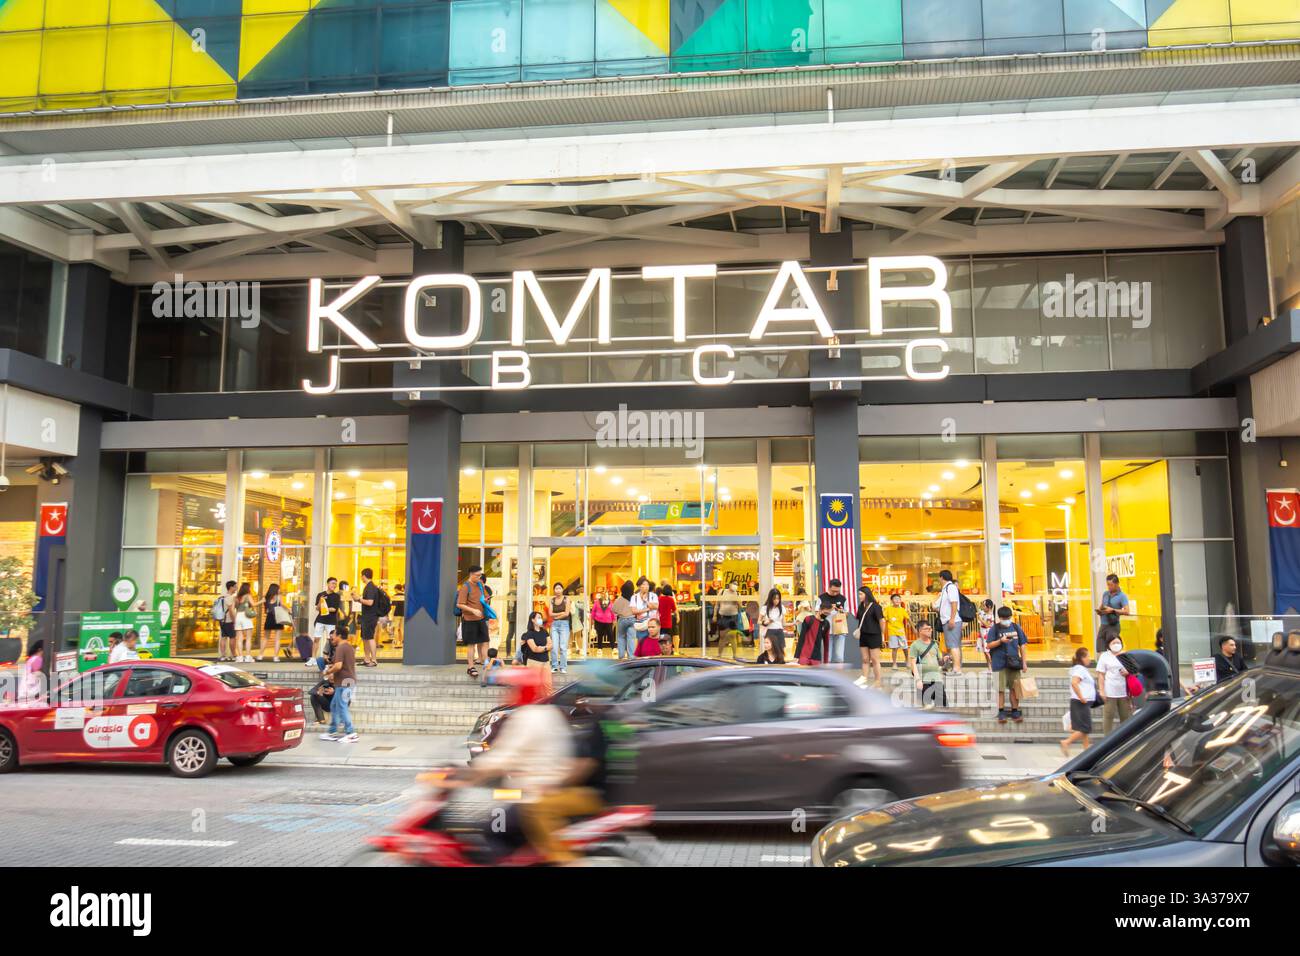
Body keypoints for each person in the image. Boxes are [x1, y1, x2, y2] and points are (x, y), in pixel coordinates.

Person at [439, 667, 601, 865]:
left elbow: (503, 757)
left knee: (492, 829)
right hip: (545, 789)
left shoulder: (527, 717)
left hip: (534, 795)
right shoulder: (549, 713)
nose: (506, 693)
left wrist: (467, 774)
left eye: (511, 688)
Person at [987, 605, 1028, 723]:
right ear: (999, 618)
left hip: (1014, 663)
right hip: (999, 663)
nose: (1006, 620)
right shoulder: (994, 629)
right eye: (1003, 618)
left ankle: (1015, 710)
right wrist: (1000, 641)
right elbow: (988, 645)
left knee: (1014, 689)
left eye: (1007, 617)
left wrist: (1024, 663)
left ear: (1011, 617)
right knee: (1000, 689)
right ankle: (1001, 711)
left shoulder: (1016, 627)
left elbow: (1023, 646)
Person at [320, 623, 359, 743]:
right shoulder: (348, 647)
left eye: (334, 635)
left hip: (345, 683)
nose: (332, 637)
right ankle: (332, 732)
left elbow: (338, 665)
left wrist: (328, 672)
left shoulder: (341, 648)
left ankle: (351, 733)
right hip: (345, 681)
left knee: (341, 706)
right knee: (335, 706)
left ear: (340, 636)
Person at [456, 565, 492, 679]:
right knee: (471, 644)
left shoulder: (480, 584)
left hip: (481, 618)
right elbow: (459, 604)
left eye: (480, 575)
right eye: (477, 575)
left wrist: (486, 600)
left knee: (485, 641)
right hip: (469, 619)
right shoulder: (465, 587)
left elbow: (486, 597)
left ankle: (487, 666)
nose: (479, 577)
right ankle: (471, 667)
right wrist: (473, 610)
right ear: (471, 574)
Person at [1061, 647, 1096, 756]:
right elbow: (1074, 682)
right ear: (1082, 658)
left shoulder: (1079, 669)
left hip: (1080, 702)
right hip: (1080, 702)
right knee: (1086, 728)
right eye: (1088, 656)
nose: (1089, 659)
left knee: (1083, 727)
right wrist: (1081, 697)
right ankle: (1067, 742)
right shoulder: (1080, 669)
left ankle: (1086, 750)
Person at [1096, 635, 1133, 735]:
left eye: (1118, 642)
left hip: (1124, 692)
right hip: (1110, 692)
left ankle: (1126, 739)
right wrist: (1102, 690)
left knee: (1126, 717)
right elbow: (1101, 675)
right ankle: (1107, 740)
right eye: (1113, 643)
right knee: (1108, 717)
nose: (1116, 645)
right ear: (1108, 645)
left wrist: (1127, 672)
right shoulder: (1104, 656)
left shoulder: (1126, 655)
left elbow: (1133, 671)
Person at [909, 623, 944, 708]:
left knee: (942, 705)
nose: (930, 630)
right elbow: (913, 664)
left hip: (936, 678)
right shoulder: (915, 645)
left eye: (930, 628)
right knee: (927, 705)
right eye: (927, 629)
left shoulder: (934, 644)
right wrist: (918, 680)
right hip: (924, 679)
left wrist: (944, 660)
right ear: (920, 631)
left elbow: (940, 662)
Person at [935, 569, 963, 675]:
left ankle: (957, 668)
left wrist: (952, 618)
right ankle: (955, 667)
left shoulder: (951, 588)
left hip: (951, 621)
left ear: (942, 577)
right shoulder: (945, 589)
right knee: (952, 645)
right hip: (947, 620)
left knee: (953, 645)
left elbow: (954, 603)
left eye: (939, 577)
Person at [814, 579, 849, 664]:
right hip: (826, 629)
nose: (835, 593)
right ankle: (826, 675)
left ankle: (839, 676)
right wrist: (828, 610)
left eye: (837, 591)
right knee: (827, 657)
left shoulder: (843, 598)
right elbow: (817, 614)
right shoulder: (822, 598)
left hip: (840, 630)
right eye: (833, 591)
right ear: (829, 587)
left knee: (839, 657)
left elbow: (846, 614)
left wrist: (840, 611)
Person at [856, 585, 885, 687]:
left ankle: (878, 681)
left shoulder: (876, 606)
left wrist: (882, 635)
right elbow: (859, 619)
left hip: (874, 635)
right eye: (859, 594)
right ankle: (864, 678)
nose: (859, 596)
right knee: (864, 659)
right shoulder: (861, 606)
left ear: (867, 594)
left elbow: (882, 621)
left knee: (875, 659)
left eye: (861, 594)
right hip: (863, 635)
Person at [1094, 573, 1130, 653]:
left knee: (1113, 649)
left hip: (1113, 626)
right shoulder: (1105, 594)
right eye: (1108, 585)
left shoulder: (1122, 596)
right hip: (1103, 625)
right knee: (1100, 648)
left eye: (1111, 585)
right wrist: (1100, 610)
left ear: (1117, 584)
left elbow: (1127, 611)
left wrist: (1113, 610)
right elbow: (1102, 605)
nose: (1109, 587)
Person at [310, 577, 341, 664]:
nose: (334, 585)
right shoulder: (321, 594)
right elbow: (317, 608)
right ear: (327, 584)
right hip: (320, 620)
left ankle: (328, 658)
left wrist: (324, 608)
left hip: (331, 621)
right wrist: (321, 601)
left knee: (330, 641)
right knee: (316, 639)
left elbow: (334, 609)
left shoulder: (336, 596)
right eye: (332, 583)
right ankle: (313, 658)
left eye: (335, 583)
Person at [521, 610, 553, 695]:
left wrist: (543, 648)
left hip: (545, 662)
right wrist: (546, 647)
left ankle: (548, 703)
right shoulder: (529, 634)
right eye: (538, 618)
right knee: (533, 686)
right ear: (533, 620)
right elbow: (534, 648)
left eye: (541, 618)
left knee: (548, 685)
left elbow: (551, 644)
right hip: (533, 662)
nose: (541, 619)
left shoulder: (544, 631)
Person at [358, 567, 381, 668]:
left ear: (364, 576)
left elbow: (370, 602)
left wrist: (359, 599)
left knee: (370, 638)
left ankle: (374, 660)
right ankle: (367, 659)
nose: (361, 578)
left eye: (361, 576)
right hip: (367, 616)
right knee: (365, 637)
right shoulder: (369, 586)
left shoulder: (371, 587)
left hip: (370, 617)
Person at [629, 576, 658, 655]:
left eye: (647, 585)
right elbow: (634, 611)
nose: (646, 587)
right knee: (642, 642)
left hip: (652, 623)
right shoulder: (634, 597)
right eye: (644, 585)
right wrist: (647, 609)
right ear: (639, 586)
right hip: (641, 624)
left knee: (652, 643)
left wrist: (646, 601)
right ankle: (642, 660)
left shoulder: (653, 595)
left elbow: (656, 606)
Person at [548, 582, 571, 674]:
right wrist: (560, 614)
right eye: (556, 588)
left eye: (559, 588)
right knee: (553, 647)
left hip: (564, 625)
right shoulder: (552, 600)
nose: (557, 590)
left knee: (563, 646)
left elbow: (567, 613)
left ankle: (563, 667)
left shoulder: (566, 599)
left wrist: (556, 617)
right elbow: (550, 614)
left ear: (562, 589)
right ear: (554, 590)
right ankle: (554, 666)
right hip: (554, 625)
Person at [260, 582, 287, 662]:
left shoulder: (266, 598)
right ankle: (275, 657)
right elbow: (282, 605)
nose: (279, 590)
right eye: (278, 588)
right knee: (277, 639)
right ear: (276, 589)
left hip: (269, 618)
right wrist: (289, 610)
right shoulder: (279, 597)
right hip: (278, 618)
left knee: (265, 638)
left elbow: (265, 607)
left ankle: (260, 655)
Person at [883, 593, 911, 669]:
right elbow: (884, 619)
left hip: (901, 632)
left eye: (899, 599)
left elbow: (908, 618)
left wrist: (914, 628)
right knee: (894, 648)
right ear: (891, 600)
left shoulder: (902, 610)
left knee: (905, 647)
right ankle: (894, 664)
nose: (897, 600)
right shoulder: (888, 609)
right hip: (892, 631)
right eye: (895, 599)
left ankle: (907, 660)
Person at [232, 582, 257, 663]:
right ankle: (248, 657)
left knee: (239, 638)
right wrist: (261, 601)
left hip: (238, 616)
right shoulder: (248, 596)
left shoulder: (236, 598)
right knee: (248, 638)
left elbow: (233, 609)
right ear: (247, 588)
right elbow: (254, 604)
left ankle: (240, 657)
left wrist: (234, 619)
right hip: (245, 616)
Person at [759, 588, 787, 661]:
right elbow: (758, 621)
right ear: (770, 598)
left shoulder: (782, 607)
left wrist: (794, 623)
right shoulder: (765, 608)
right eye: (774, 598)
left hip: (779, 631)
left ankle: (780, 665)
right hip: (770, 631)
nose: (776, 600)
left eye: (778, 598)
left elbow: (783, 623)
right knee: (770, 651)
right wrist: (765, 622)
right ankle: (769, 666)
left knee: (781, 651)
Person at [612, 580, 636, 660]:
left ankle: (621, 656)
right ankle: (631, 656)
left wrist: (620, 612)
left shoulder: (619, 599)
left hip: (622, 619)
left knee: (621, 637)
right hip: (632, 619)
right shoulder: (635, 598)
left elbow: (614, 609)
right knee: (631, 638)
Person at [216, 580, 237, 662]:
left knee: (223, 637)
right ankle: (233, 655)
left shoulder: (222, 596)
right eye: (235, 586)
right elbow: (231, 611)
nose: (236, 588)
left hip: (221, 619)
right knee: (232, 637)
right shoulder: (231, 598)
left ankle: (223, 655)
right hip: (228, 620)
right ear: (231, 587)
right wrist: (234, 620)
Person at [591, 588, 615, 655]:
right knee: (600, 634)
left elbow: (613, 612)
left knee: (610, 634)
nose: (605, 595)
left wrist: (614, 620)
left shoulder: (610, 602)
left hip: (608, 621)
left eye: (606, 594)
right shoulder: (597, 602)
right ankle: (599, 648)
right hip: (598, 621)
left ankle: (613, 648)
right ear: (601, 595)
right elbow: (593, 611)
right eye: (603, 594)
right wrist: (592, 619)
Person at [658, 585, 678, 655]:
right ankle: (669, 653)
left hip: (660, 622)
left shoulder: (659, 598)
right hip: (668, 622)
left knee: (661, 638)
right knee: (668, 639)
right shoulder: (671, 599)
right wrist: (677, 616)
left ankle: (661, 652)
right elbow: (675, 610)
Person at [975, 599, 995, 669]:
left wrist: (980, 619)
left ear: (989, 607)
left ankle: (993, 666)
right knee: (985, 651)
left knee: (987, 651)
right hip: (982, 633)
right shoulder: (983, 613)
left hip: (987, 634)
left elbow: (987, 625)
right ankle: (989, 667)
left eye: (984, 606)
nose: (983, 607)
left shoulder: (990, 615)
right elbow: (978, 609)